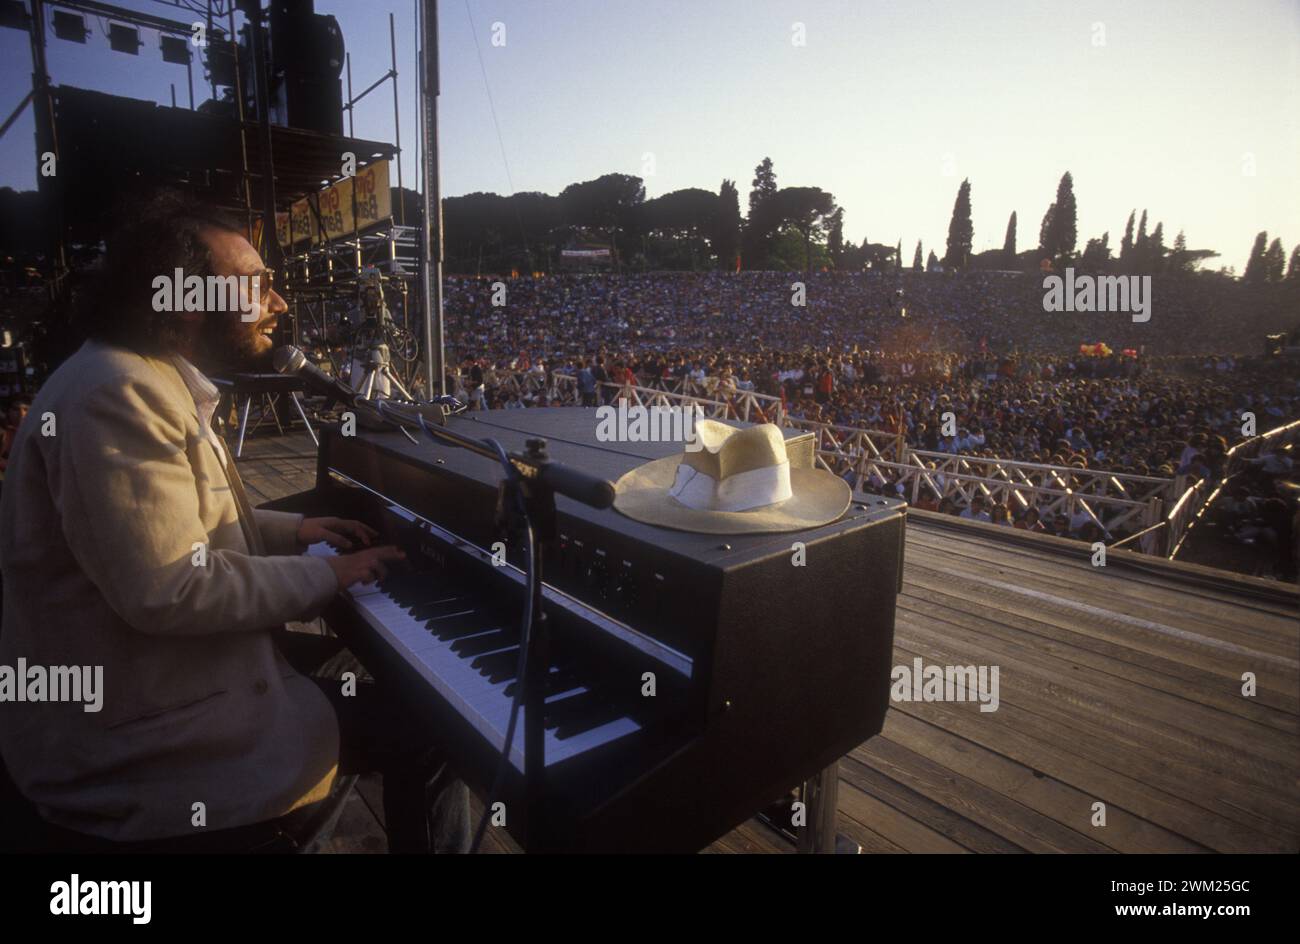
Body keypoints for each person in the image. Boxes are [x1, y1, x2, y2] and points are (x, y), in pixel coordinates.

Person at [0, 193, 469, 853]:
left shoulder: (140, 377)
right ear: (186, 298)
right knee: (436, 729)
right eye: (259, 285)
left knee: (369, 665)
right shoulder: (117, 394)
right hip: (143, 744)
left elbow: (185, 533)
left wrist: (296, 534)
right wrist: (329, 575)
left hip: (156, 682)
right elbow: (171, 588)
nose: (279, 304)